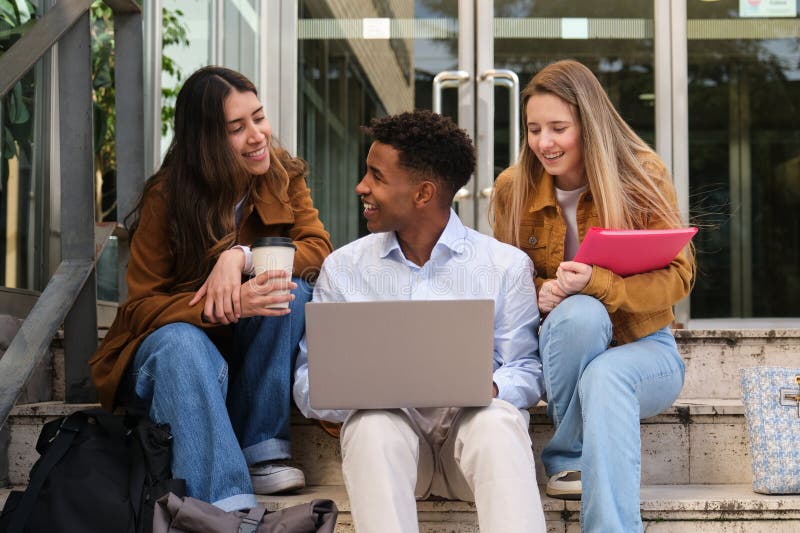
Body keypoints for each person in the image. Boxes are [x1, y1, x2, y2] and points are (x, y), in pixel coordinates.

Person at [89, 66, 332, 512]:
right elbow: (141, 308)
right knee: (183, 344)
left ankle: (262, 450)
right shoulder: (167, 195)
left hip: (241, 357)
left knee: (290, 290)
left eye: (258, 117)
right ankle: (226, 506)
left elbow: (318, 249)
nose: (257, 136)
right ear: (205, 140)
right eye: (236, 128)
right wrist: (218, 305)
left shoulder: (282, 175)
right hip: (171, 360)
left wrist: (241, 256)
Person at [293, 110, 547, 533]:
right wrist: (356, 391)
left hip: (471, 451)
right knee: (371, 425)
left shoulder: (504, 265)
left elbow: (528, 369)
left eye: (376, 176)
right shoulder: (343, 268)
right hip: (394, 457)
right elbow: (307, 381)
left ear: (423, 193)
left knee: (497, 421)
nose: (362, 187)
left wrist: (493, 388)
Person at [491, 59, 695, 532]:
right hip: (559, 348)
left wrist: (598, 284)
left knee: (604, 369)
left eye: (559, 128)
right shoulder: (511, 188)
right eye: (534, 129)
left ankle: (574, 461)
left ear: (590, 124)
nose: (545, 143)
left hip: (646, 349)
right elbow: (499, 281)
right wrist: (539, 292)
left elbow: (680, 277)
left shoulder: (641, 174)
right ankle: (571, 458)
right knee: (578, 316)